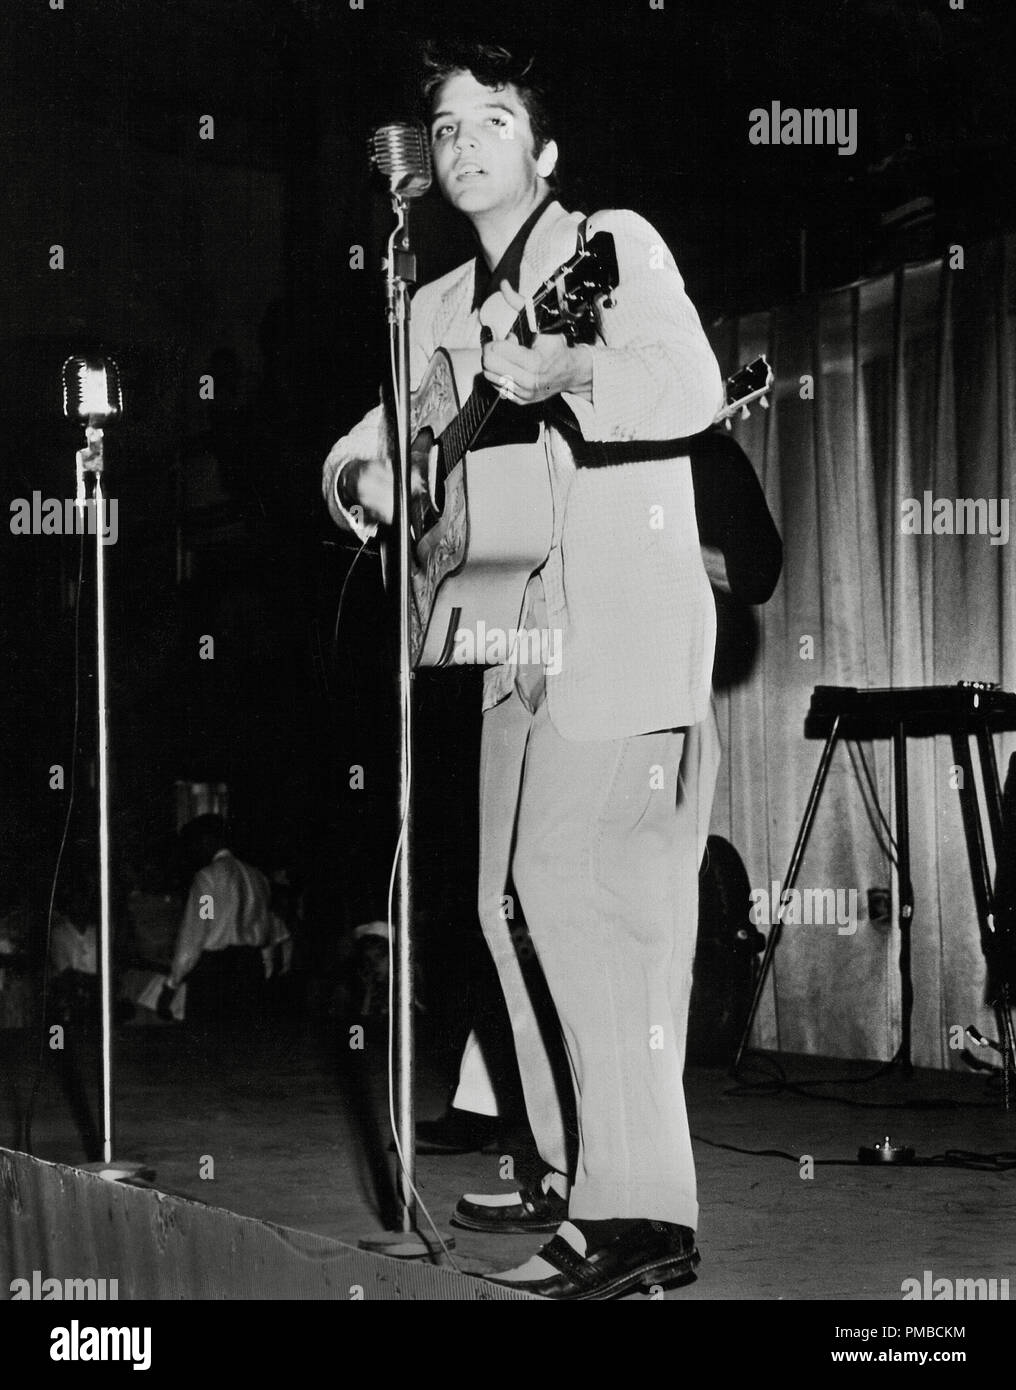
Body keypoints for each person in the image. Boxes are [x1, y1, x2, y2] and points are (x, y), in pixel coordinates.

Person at [323, 40, 723, 1299]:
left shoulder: (607, 245)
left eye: (490, 120)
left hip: (620, 628)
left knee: (575, 884)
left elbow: (691, 385)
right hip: (508, 643)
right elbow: (358, 446)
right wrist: (369, 482)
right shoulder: (434, 305)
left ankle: (639, 1215)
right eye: (442, 130)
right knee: (501, 907)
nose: (461, 144)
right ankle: (563, 1163)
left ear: (541, 152)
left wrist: (576, 370)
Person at [160, 815, 276, 1028]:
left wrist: (171, 984)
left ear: (207, 841)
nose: (192, 852)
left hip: (215, 973)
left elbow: (197, 933)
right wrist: (266, 967)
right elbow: (266, 925)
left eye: (193, 844)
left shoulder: (207, 879)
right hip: (250, 969)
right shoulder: (258, 878)